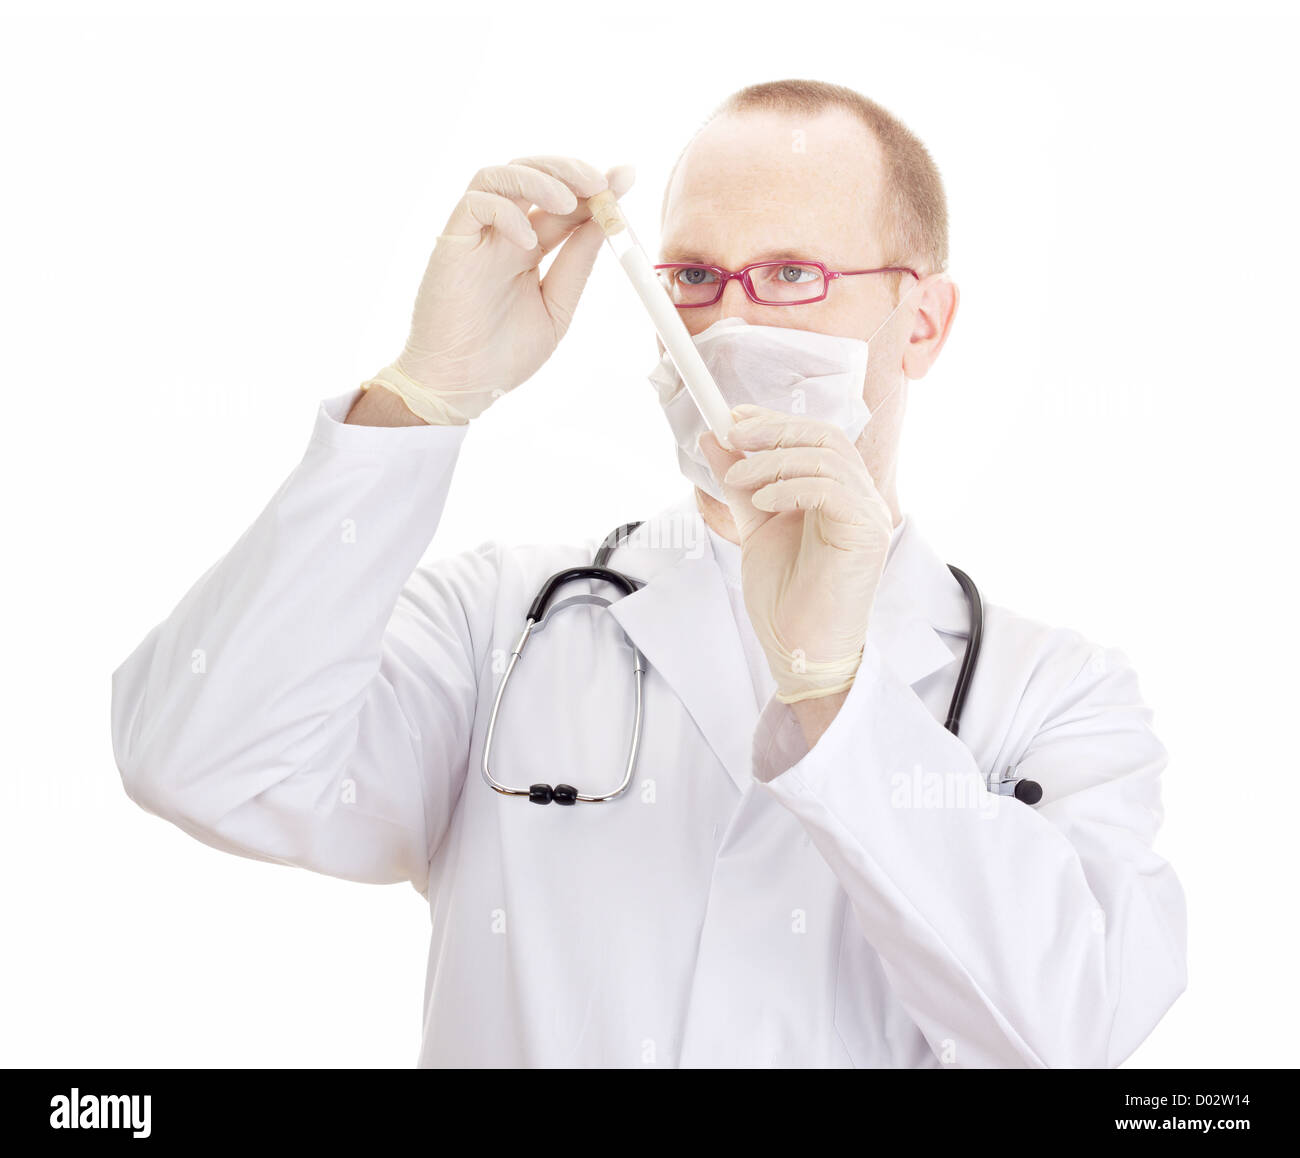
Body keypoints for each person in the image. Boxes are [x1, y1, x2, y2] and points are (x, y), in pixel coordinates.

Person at [110, 79, 1187, 1068]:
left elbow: (1071, 1027)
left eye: (792, 274)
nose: (726, 320)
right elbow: (200, 761)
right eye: (692, 276)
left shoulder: (1053, 696)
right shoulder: (501, 623)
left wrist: (835, 693)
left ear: (922, 324)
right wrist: (423, 395)